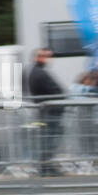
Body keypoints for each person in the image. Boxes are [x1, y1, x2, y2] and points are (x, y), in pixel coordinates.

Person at [26, 48, 64, 176]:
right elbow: (54, 91)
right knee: (48, 140)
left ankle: (45, 166)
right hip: (50, 112)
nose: (48, 59)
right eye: (45, 56)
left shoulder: (37, 71)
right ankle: (45, 167)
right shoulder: (39, 73)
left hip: (48, 111)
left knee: (47, 140)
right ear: (38, 57)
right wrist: (63, 99)